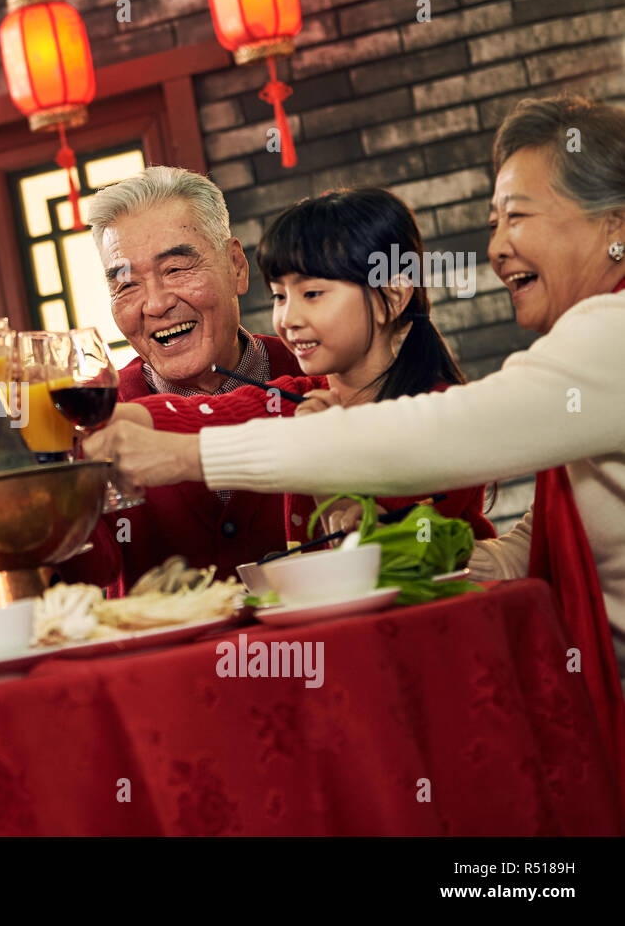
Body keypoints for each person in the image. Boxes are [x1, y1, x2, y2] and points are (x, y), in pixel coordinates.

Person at [85, 95, 625, 785]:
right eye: (494, 221)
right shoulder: (285, 391)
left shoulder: (606, 338)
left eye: (517, 217)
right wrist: (497, 558)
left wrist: (189, 454)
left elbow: (448, 433)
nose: (493, 247)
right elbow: (576, 513)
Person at [115, 188, 495, 546]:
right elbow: (210, 414)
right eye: (280, 296)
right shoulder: (296, 396)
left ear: (392, 296)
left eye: (312, 294)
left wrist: (325, 468)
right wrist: (112, 418)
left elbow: (380, 556)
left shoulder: (442, 418)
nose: (288, 318)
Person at [85, 166, 302, 591]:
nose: (156, 304)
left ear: (236, 266)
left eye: (177, 269)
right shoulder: (95, 421)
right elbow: (81, 583)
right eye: (126, 284)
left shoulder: (317, 376)